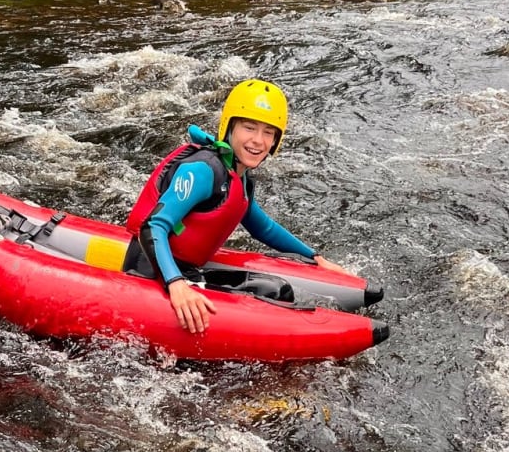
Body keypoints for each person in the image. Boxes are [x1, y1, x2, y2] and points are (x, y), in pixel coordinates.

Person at [123, 79, 349, 334]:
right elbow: (152, 226)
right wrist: (176, 284)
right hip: (151, 271)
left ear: (276, 141)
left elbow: (263, 228)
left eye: (268, 132)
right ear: (229, 128)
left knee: (277, 289)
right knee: (275, 291)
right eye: (249, 128)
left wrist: (315, 258)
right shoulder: (203, 171)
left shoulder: (238, 176)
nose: (258, 141)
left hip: (186, 268)